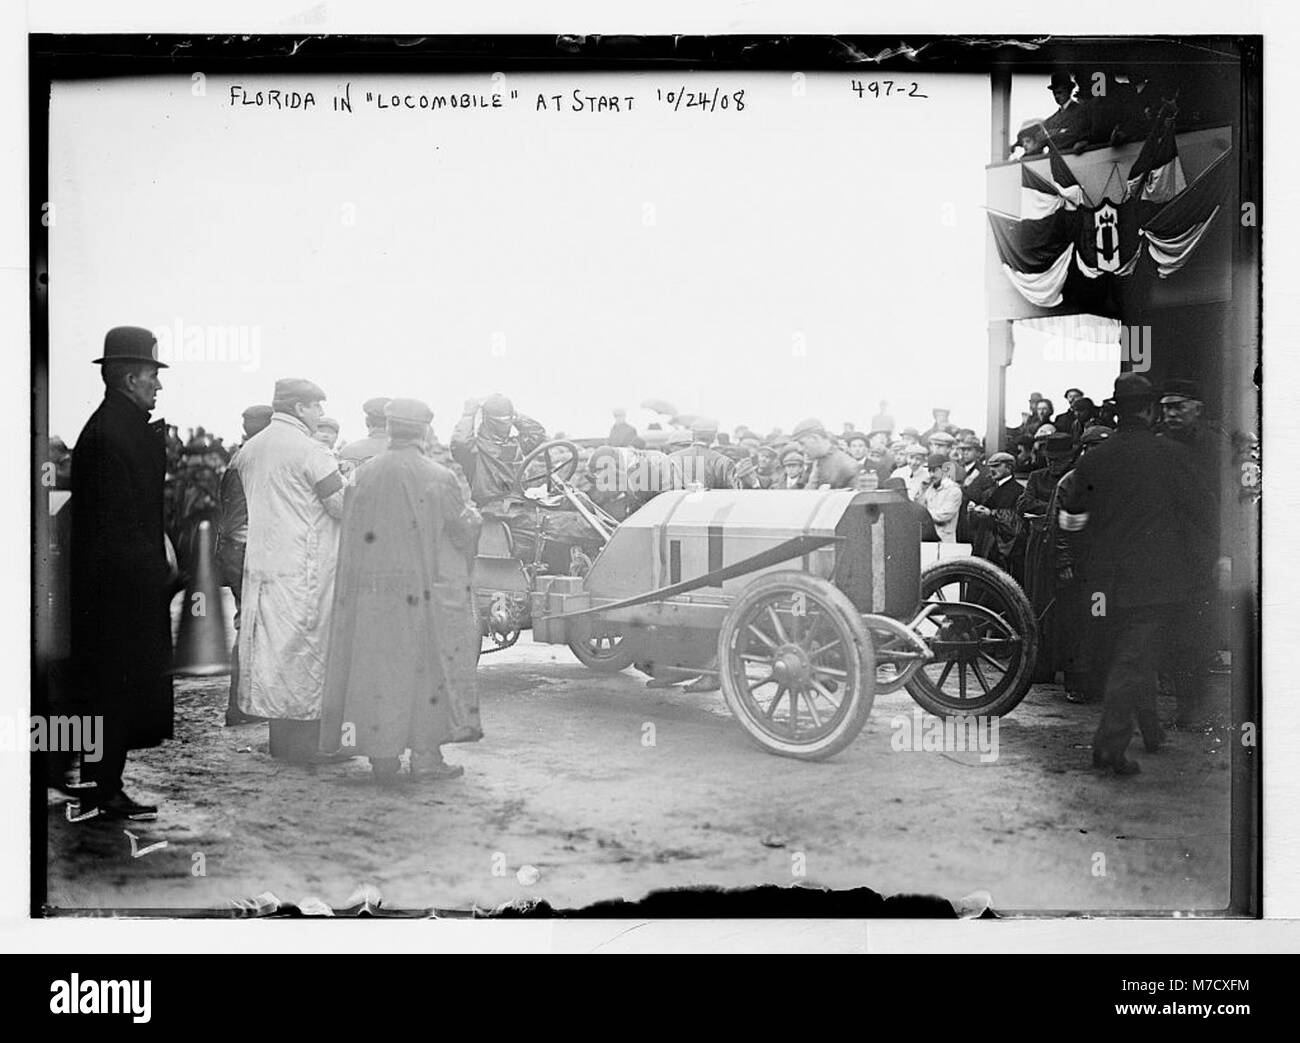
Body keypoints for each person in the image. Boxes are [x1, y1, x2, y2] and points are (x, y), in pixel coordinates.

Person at [1057, 374, 1214, 775]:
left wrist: (1085, 551)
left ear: (1117, 409)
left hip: (1103, 583)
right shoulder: (1172, 456)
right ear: (1148, 410)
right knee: (1132, 658)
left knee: (1128, 654)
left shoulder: (1093, 459)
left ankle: (1153, 733)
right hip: (1157, 583)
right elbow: (1204, 512)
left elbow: (1071, 517)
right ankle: (1109, 749)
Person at [321, 398, 483, 783]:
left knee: (377, 672)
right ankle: (426, 758)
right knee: (427, 672)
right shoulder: (439, 477)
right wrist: (474, 519)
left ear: (390, 429)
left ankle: (383, 759)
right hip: (420, 593)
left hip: (370, 593)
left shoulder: (363, 474)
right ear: (424, 431)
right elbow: (461, 531)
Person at [68, 327, 175, 820]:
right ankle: (104, 786)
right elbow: (118, 522)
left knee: (111, 687)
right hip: (118, 590)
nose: (158, 385)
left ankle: (102, 781)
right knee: (114, 687)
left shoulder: (114, 426)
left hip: (115, 585)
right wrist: (154, 575)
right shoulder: (114, 432)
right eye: (153, 375)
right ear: (130, 377)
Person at [235, 378, 347, 764]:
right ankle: (308, 748)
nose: (320, 413)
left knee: (273, 657)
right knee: (307, 653)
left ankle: (281, 743)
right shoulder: (312, 451)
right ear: (300, 408)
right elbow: (341, 505)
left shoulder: (250, 450)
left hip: (264, 567)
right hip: (306, 568)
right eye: (317, 406)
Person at [215, 404, 272, 726]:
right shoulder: (254, 460)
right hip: (246, 548)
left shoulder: (240, 456)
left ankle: (241, 706)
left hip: (234, 549)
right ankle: (240, 707)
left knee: (247, 624)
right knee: (251, 626)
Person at [1018, 433, 1078, 683]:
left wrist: (1046, 506)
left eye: (1059, 460)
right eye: (1050, 459)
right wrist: (1054, 506)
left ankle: (1065, 663)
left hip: (1064, 546)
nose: (1053, 464)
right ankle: (1041, 665)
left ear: (1069, 458)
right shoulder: (1036, 476)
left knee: (1065, 607)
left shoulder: (1075, 478)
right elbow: (1023, 504)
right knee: (1038, 601)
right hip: (1038, 548)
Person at [450, 393, 548, 509]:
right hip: (491, 512)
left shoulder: (516, 445)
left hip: (522, 507)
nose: (505, 425)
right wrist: (468, 414)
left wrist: (513, 414)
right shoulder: (474, 450)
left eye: (508, 420)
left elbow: (537, 433)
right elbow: (460, 442)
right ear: (486, 420)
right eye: (499, 421)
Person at [968, 451, 1025, 582]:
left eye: (996, 466)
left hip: (1004, 554)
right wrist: (972, 512)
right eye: (990, 466)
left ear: (1009, 468)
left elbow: (1017, 524)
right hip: (983, 546)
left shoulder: (1019, 492)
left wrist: (991, 514)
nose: (992, 470)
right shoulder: (988, 491)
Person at [668, 417, 756, 489]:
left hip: (677, 509)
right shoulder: (724, 462)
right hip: (711, 509)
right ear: (714, 436)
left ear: (693, 435)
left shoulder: (671, 459)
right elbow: (733, 492)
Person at [792, 418, 859, 489]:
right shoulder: (814, 463)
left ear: (815, 438)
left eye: (802, 443)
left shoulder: (847, 467)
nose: (800, 449)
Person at [914, 453, 963, 542]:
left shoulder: (954, 490)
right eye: (930, 470)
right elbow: (918, 509)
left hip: (945, 540)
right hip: (929, 537)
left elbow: (943, 516)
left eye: (935, 470)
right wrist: (922, 489)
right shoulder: (930, 488)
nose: (931, 474)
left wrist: (924, 515)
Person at [337, 397, 392, 474]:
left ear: (367, 422)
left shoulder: (348, 451)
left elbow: (346, 483)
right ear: (392, 422)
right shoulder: (405, 452)